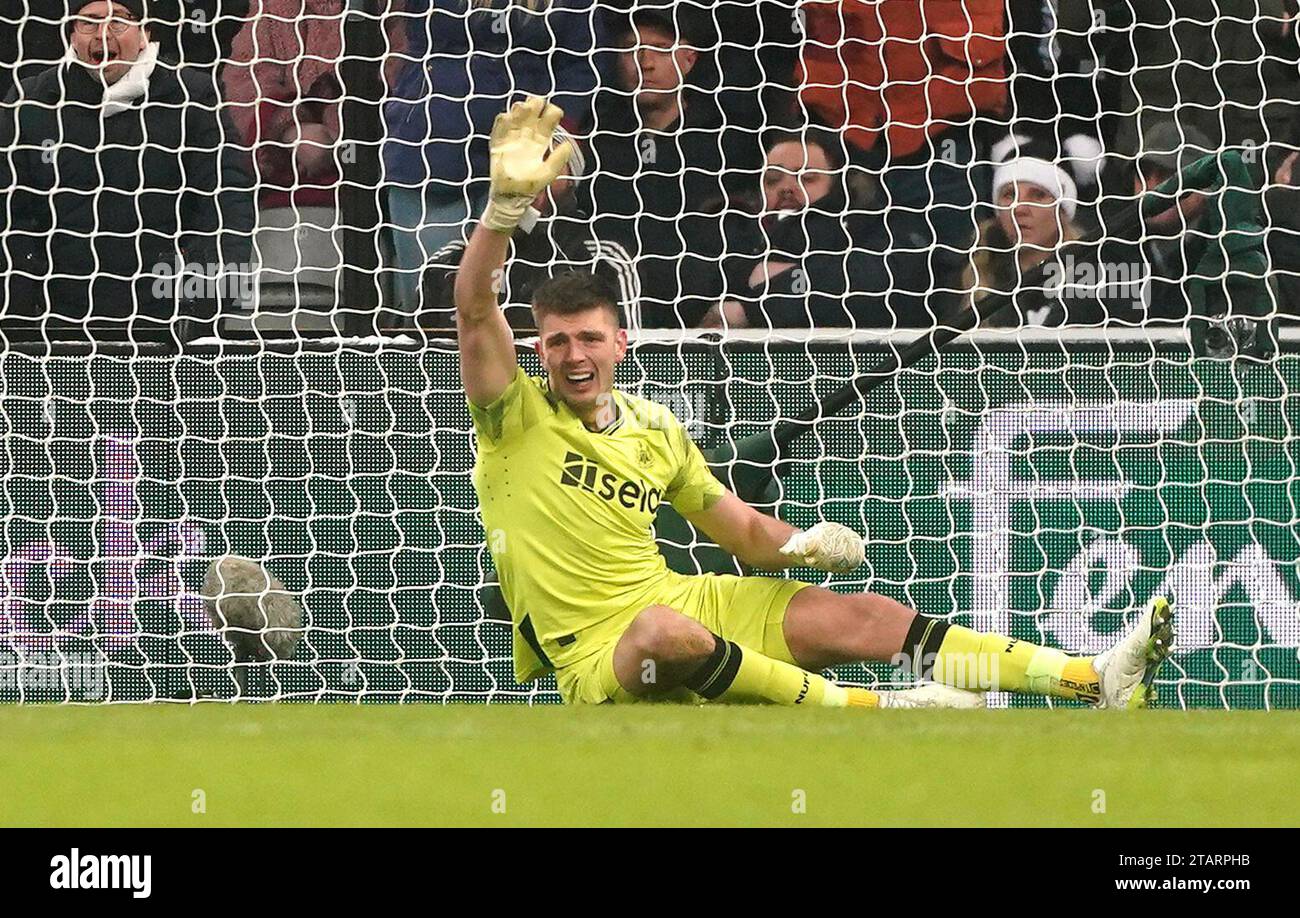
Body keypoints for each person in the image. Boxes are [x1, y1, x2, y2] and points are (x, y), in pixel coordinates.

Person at [454, 95, 1175, 708]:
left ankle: (1089, 680)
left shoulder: (654, 428)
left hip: (685, 599)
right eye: (556, 344)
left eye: (588, 339)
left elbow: (739, 533)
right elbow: (474, 309)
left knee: (866, 618)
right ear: (538, 352)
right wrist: (505, 210)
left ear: (622, 346)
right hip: (600, 647)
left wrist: (799, 546)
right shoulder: (515, 418)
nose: (573, 356)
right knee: (660, 637)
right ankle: (880, 710)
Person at [0, 0, 256, 341]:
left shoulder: (192, 96)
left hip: (164, 320)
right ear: (72, 34)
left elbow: (227, 204)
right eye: (89, 22)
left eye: (118, 21)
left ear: (144, 34)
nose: (102, 34)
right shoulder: (31, 101)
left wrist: (206, 305)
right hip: (57, 317)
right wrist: (20, 304)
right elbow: (11, 214)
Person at [382, 0, 609, 313]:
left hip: (526, 154)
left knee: (530, 309)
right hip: (429, 155)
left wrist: (556, 141)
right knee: (436, 310)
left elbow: (584, 65)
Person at [584, 7, 760, 327]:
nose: (645, 62)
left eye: (661, 49)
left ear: (689, 59)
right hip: (611, 310)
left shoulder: (728, 142)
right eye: (630, 48)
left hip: (702, 318)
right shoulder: (598, 142)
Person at [420, 127, 640, 332]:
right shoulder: (450, 260)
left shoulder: (605, 260)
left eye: (545, 158)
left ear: (573, 176)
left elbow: (629, 354)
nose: (529, 171)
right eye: (517, 159)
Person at [700, 129, 887, 329]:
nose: (786, 187)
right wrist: (750, 270)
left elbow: (863, 283)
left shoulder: (863, 232)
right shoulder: (727, 224)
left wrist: (753, 306)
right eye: (773, 179)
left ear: (836, 187)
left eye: (806, 178)